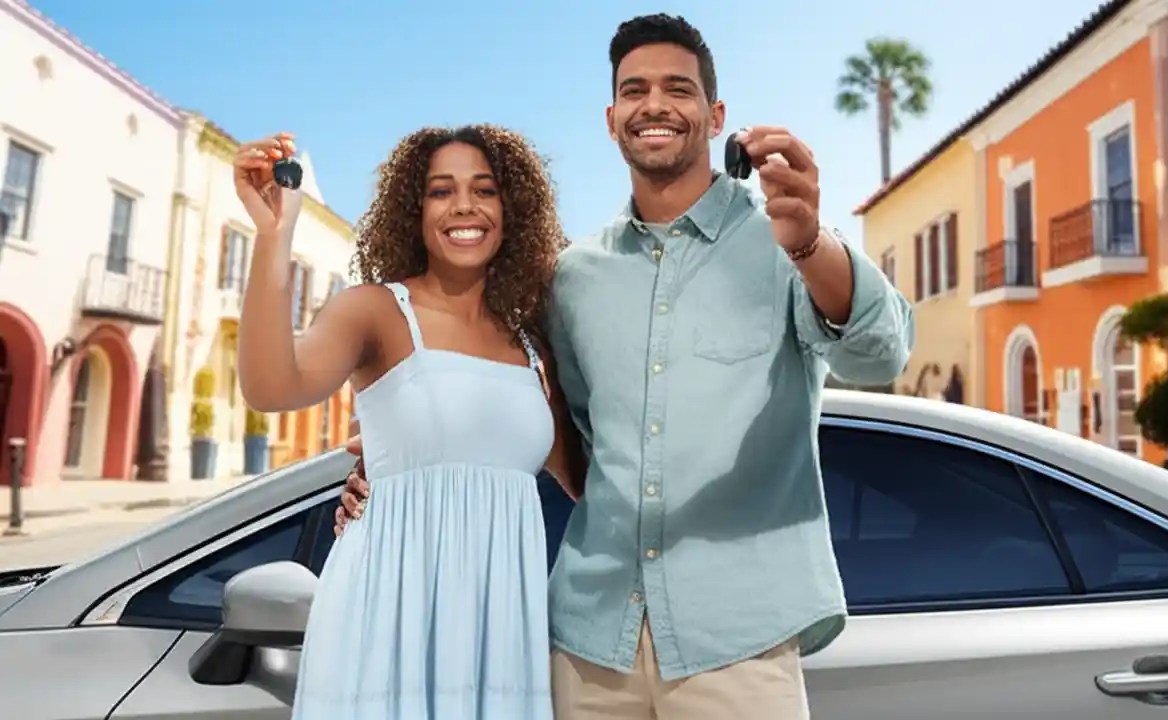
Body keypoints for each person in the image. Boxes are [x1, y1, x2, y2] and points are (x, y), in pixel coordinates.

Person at [337, 13, 914, 719]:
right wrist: (403, 459)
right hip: (588, 649)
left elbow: (880, 351)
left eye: (679, 88)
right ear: (612, 119)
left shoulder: (785, 242)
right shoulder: (574, 277)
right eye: (634, 90)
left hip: (739, 646)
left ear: (715, 115)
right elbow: (564, 442)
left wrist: (809, 246)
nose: (655, 104)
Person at [233, 124, 584, 719]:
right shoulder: (374, 311)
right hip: (385, 627)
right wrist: (274, 234)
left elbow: (599, 496)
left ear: (512, 208)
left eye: (485, 189)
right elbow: (271, 387)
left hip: (500, 645)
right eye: (441, 191)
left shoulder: (533, 349)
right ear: (414, 210)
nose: (464, 206)